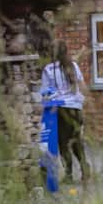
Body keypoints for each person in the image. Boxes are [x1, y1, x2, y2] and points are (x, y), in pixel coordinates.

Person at [41, 41, 90, 182]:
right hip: (75, 108)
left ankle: (68, 174)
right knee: (76, 140)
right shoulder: (73, 66)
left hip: (60, 109)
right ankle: (84, 168)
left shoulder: (48, 69)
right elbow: (82, 86)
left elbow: (45, 92)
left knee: (63, 143)